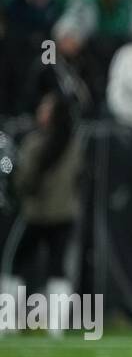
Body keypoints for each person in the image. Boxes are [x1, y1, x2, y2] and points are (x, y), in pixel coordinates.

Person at [10, 92, 82, 295]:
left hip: (37, 214)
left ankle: (6, 318)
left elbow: (22, 180)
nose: (40, 111)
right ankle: (55, 324)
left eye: (45, 108)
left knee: (17, 262)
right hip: (65, 214)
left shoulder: (34, 143)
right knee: (57, 268)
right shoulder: (74, 144)